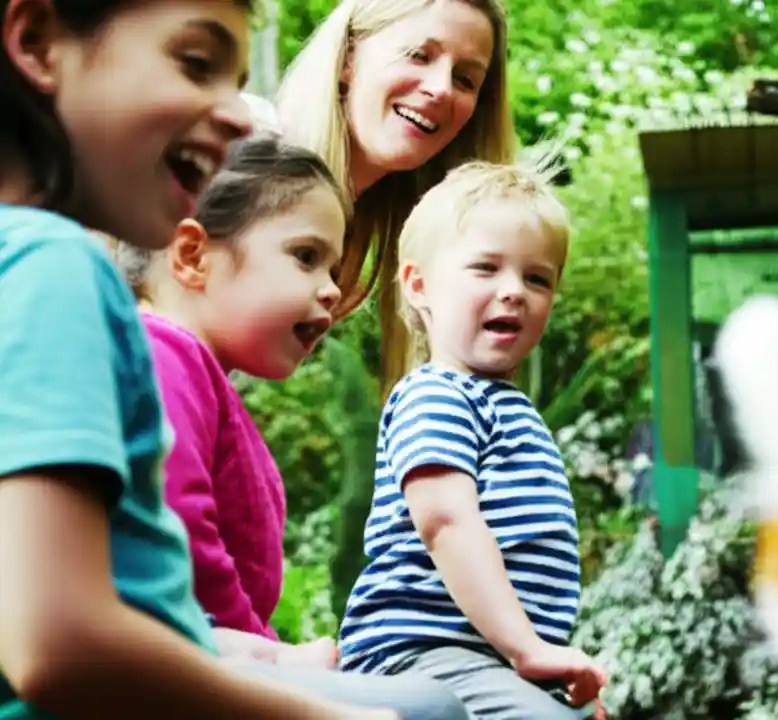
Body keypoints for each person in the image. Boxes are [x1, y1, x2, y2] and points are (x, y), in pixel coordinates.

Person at [0, 0, 394, 717]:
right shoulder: (53, 270)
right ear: (36, 42)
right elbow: (56, 646)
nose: (241, 115)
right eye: (194, 63)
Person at [117, 133, 470, 720]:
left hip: (204, 647)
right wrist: (266, 659)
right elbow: (176, 528)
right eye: (306, 257)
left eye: (332, 266)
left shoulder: (193, 370)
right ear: (192, 256)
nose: (333, 289)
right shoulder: (162, 353)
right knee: (431, 708)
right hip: (180, 652)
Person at [338, 161, 607, 719]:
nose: (514, 292)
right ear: (419, 286)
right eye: (485, 268)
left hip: (488, 659)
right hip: (421, 653)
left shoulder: (507, 408)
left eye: (538, 278)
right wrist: (528, 649)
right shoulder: (436, 395)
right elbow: (446, 522)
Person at [275, 0, 517, 391]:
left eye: (466, 80)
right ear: (347, 58)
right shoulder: (238, 167)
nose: (440, 89)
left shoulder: (361, 228)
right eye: (419, 55)